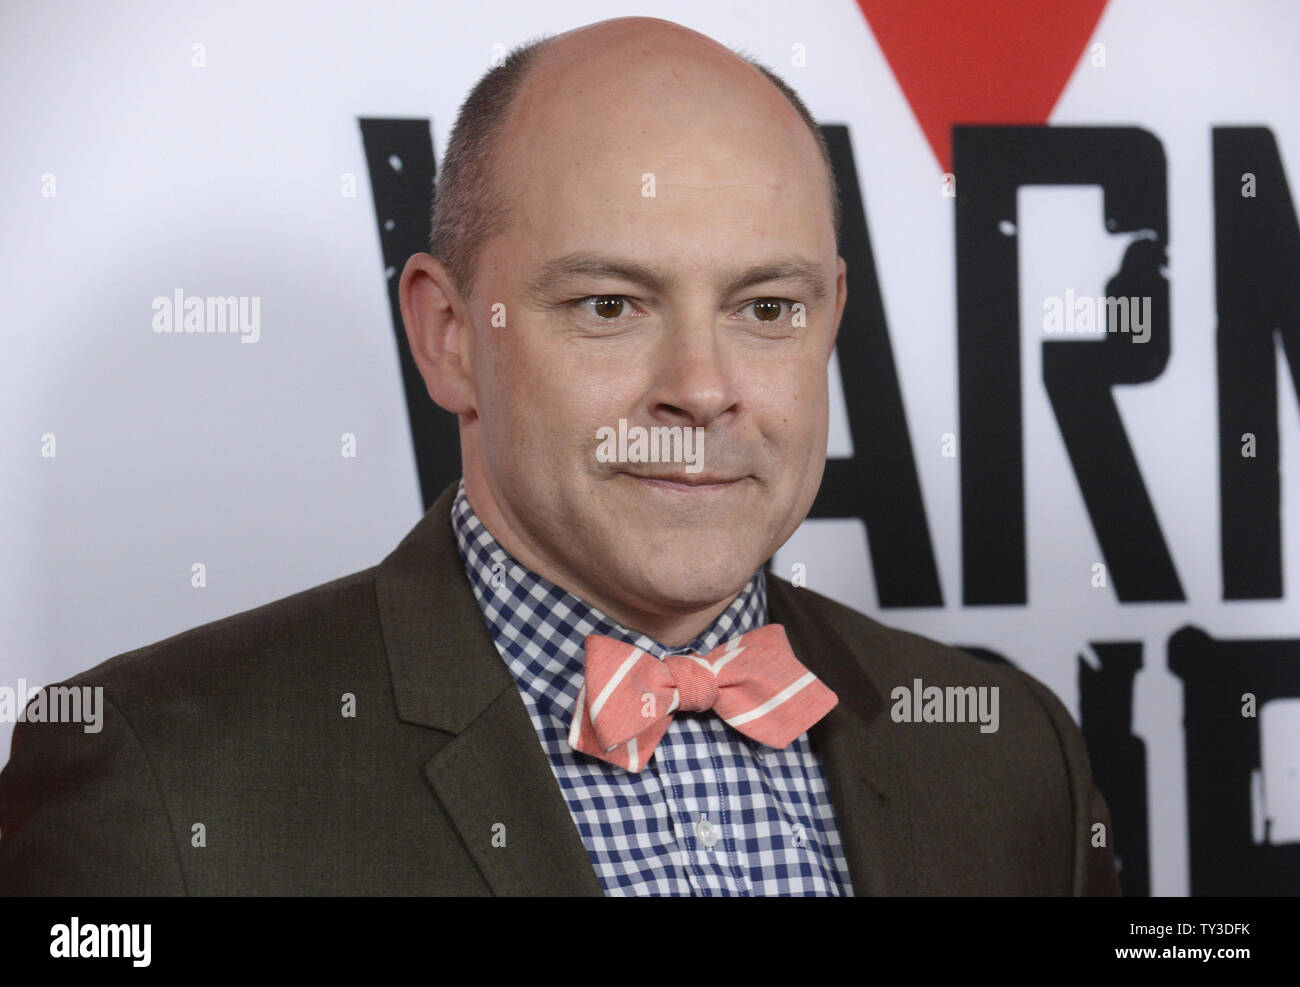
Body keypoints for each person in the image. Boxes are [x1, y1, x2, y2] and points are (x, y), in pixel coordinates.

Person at [0, 16, 1119, 896]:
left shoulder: (1007, 757)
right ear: (449, 338)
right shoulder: (156, 780)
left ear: (830, 319)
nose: (701, 386)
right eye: (609, 304)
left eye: (765, 308)